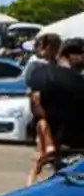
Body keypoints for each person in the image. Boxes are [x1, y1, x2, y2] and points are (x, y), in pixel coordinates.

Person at [27, 37, 84, 175]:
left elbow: (35, 103)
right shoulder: (77, 82)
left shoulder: (39, 73)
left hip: (52, 144)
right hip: (72, 146)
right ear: (69, 55)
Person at [24, 33, 63, 183]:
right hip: (52, 111)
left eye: (40, 46)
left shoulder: (39, 65)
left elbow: (32, 89)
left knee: (41, 151)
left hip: (46, 112)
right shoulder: (56, 65)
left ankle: (32, 179)